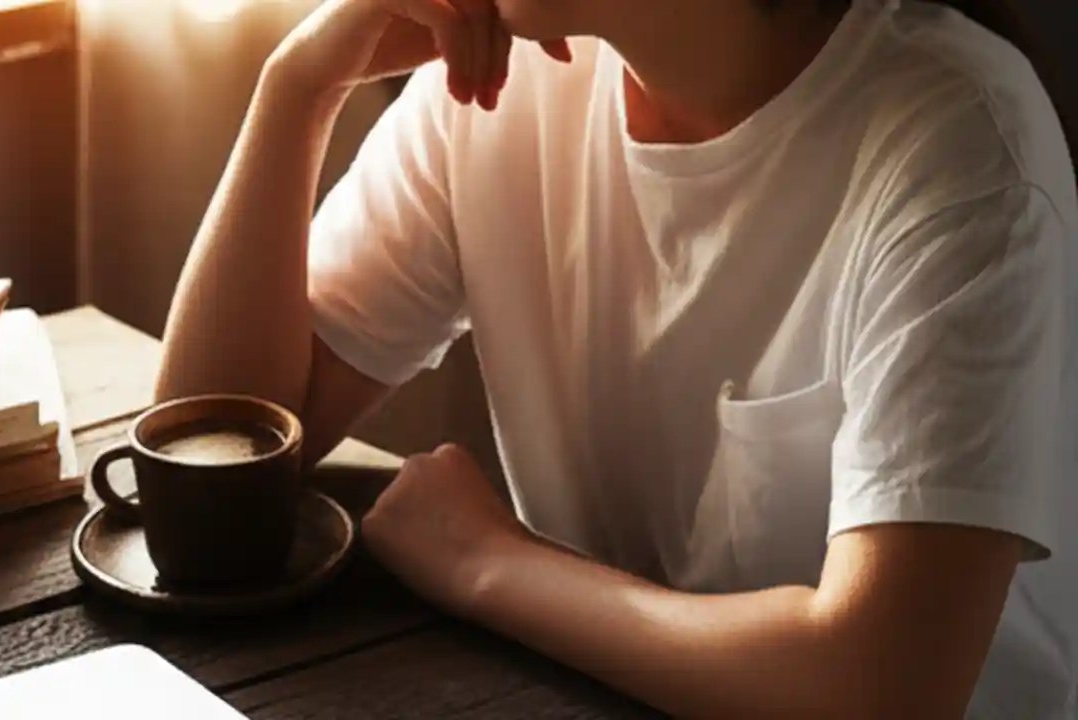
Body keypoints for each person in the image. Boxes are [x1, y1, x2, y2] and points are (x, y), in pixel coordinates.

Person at [157, 0, 1077, 716]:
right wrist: (296, 90)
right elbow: (209, 468)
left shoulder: (961, 149)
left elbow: (878, 688)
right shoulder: (503, 82)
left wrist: (489, 564)